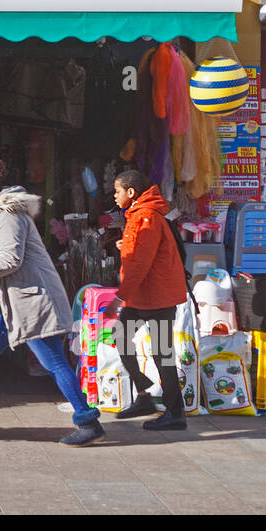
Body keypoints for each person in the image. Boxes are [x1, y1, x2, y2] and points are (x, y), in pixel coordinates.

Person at [0, 156, 105, 446]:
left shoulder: (7, 214)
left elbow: (10, 259)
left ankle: (88, 422)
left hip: (31, 300)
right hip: (6, 301)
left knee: (52, 360)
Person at [107, 169, 189, 431]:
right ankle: (144, 396)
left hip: (158, 297)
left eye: (117, 191)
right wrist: (126, 246)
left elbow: (140, 263)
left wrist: (119, 297)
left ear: (131, 193)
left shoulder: (145, 217)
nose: (114, 195)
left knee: (163, 354)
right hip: (143, 296)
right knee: (121, 337)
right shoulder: (139, 215)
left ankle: (175, 412)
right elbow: (141, 252)